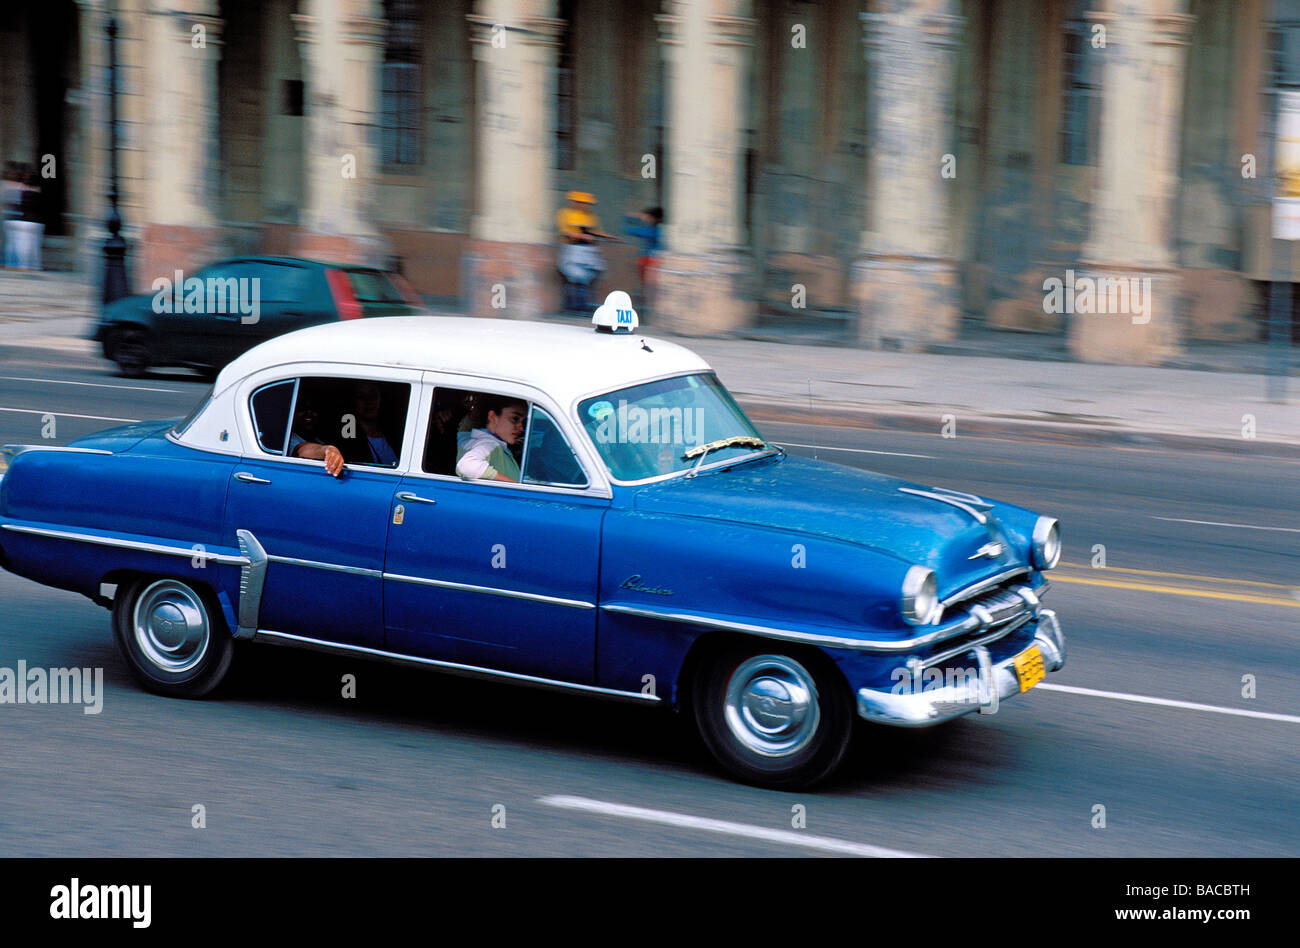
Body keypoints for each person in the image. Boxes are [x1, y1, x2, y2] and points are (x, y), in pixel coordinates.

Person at [556, 191, 619, 315]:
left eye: (587, 204)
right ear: (575, 203)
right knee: (573, 279)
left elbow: (595, 232)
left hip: (588, 251)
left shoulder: (591, 216)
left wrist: (610, 237)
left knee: (591, 277)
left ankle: (584, 306)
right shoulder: (565, 214)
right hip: (572, 249)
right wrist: (581, 236)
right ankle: (571, 308)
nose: (586, 206)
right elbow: (565, 232)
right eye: (583, 203)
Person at [456, 395, 526, 482]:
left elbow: (464, 429)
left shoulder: (467, 440)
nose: (521, 428)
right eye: (515, 419)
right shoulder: (489, 445)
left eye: (523, 421)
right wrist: (513, 484)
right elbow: (466, 466)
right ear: (492, 417)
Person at [623, 206, 662, 307]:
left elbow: (629, 230)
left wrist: (636, 218)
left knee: (649, 286)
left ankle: (649, 305)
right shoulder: (656, 229)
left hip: (649, 260)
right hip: (650, 260)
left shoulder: (654, 230)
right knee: (649, 286)